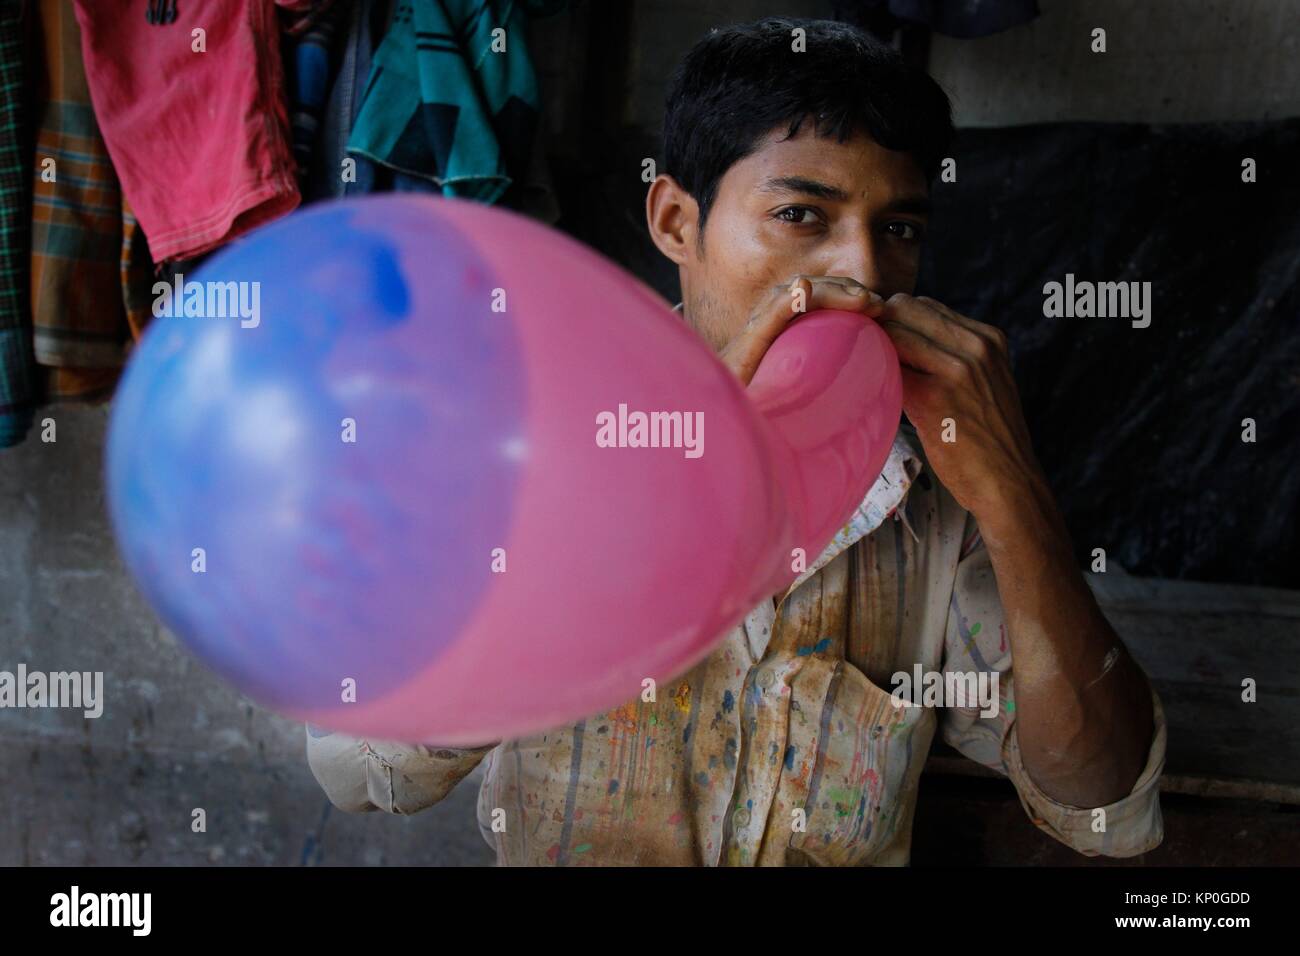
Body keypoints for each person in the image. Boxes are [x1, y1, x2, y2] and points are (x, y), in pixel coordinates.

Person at [306, 16, 1165, 866]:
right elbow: (359, 765)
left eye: (900, 229)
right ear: (678, 222)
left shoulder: (938, 489)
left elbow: (1102, 807)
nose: (863, 273)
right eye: (801, 213)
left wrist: (1018, 497)